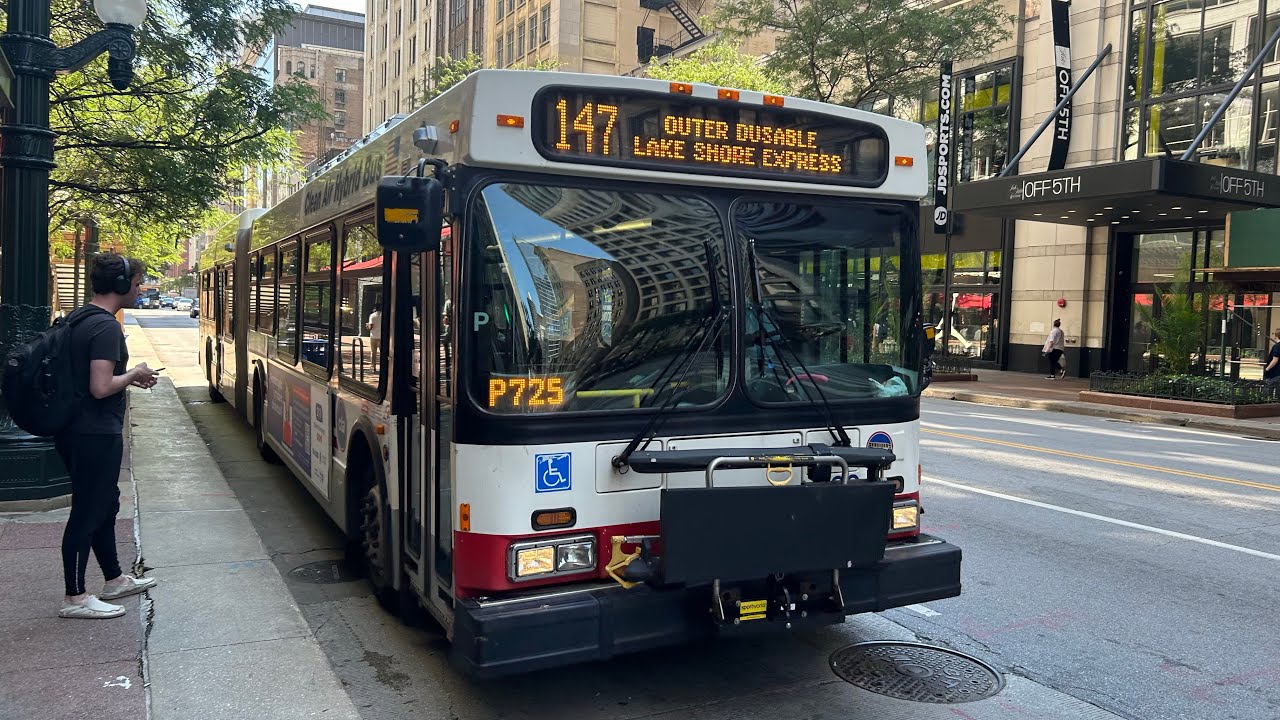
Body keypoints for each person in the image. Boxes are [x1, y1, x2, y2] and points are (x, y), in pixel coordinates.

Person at [57, 253, 160, 619]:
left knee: (104, 503)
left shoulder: (78, 318)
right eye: (136, 283)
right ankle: (75, 597)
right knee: (88, 511)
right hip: (94, 432)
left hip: (77, 429)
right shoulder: (105, 327)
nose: (138, 289)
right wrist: (133, 374)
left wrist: (130, 376)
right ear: (120, 285)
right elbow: (101, 387)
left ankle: (114, 579)